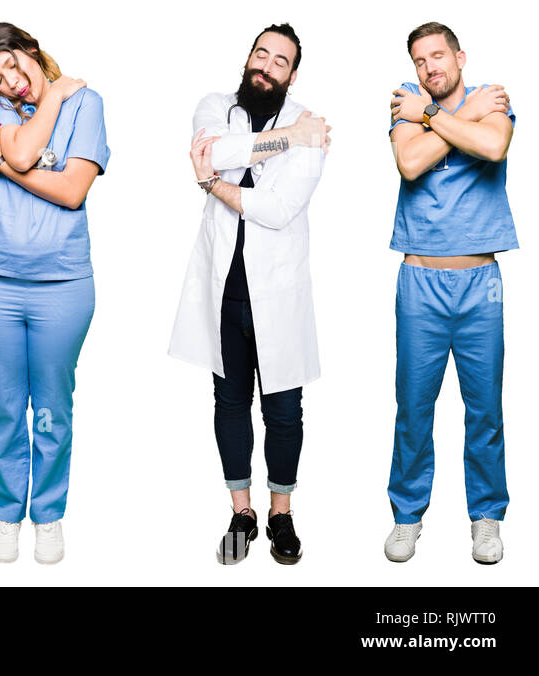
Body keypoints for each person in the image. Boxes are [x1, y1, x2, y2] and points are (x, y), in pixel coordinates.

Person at [170, 24, 329, 566]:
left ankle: (280, 513)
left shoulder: (310, 121)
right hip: (222, 293)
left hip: (278, 296)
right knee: (229, 405)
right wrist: (281, 143)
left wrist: (213, 183)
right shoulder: (216, 106)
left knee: (284, 410)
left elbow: (281, 208)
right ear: (248, 57)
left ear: (291, 74)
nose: (266, 65)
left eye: (280, 60)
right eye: (261, 53)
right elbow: (213, 150)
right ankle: (242, 512)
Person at [0, 22, 108, 565]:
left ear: (30, 48)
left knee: (50, 408)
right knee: (4, 406)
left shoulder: (87, 103)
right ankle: (6, 512)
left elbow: (72, 190)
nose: (9, 82)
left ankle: (48, 515)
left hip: (62, 284)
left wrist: (1, 163)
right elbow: (29, 155)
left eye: (12, 65)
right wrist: (50, 99)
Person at [384, 22, 515, 565]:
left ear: (459, 57)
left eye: (437, 56)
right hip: (420, 283)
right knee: (414, 406)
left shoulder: (493, 102)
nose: (428, 67)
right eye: (419, 60)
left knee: (484, 408)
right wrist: (455, 118)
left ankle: (486, 517)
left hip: (479, 283)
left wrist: (434, 119)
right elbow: (410, 162)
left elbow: (493, 145)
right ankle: (407, 517)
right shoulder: (404, 104)